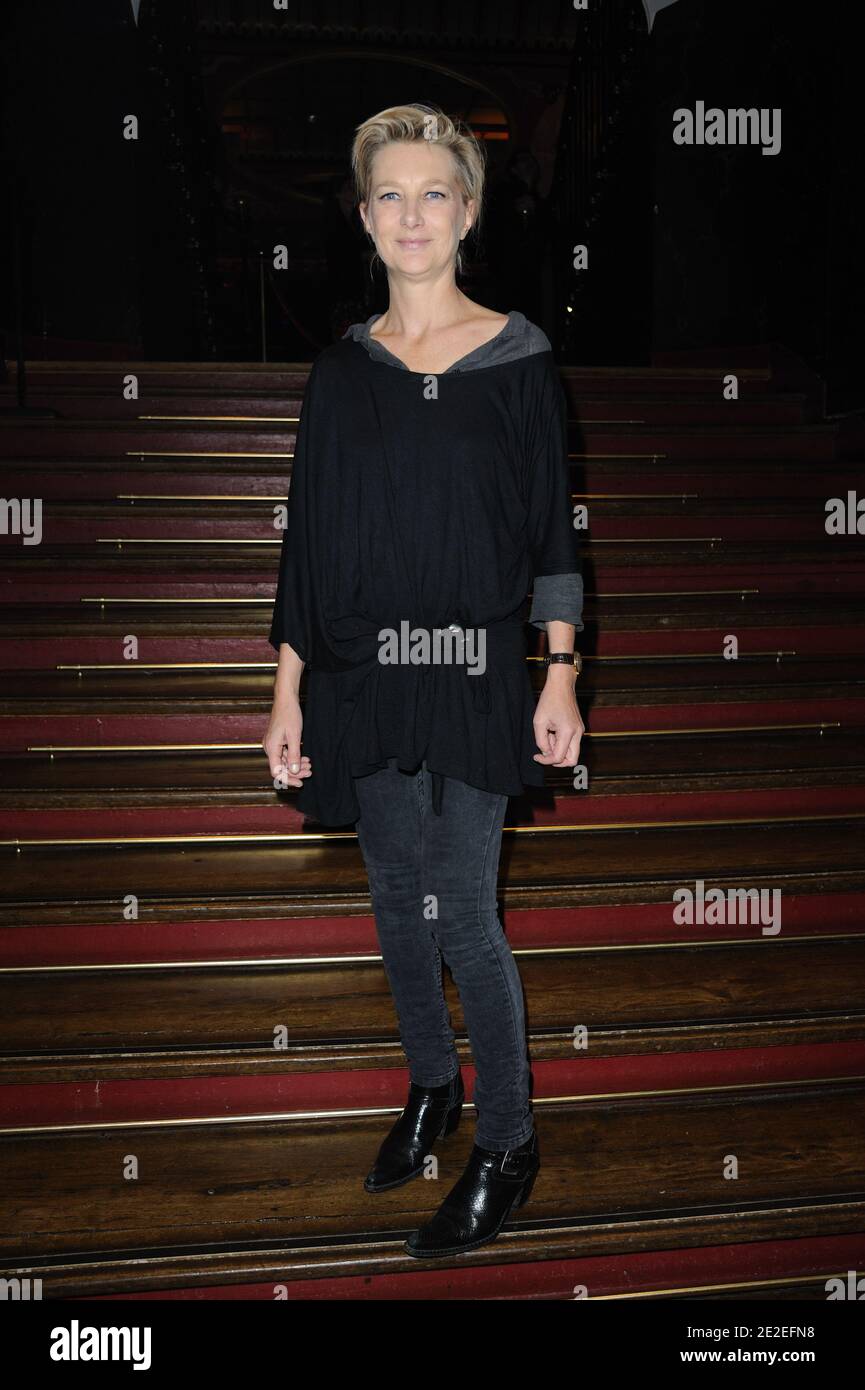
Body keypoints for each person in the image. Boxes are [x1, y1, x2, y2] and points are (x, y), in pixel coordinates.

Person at [263, 102, 584, 1259]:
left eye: (433, 192)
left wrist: (559, 673)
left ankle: (507, 1139)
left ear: (467, 214)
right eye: (389, 194)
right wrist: (287, 690)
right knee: (397, 902)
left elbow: (553, 536)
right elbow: (309, 543)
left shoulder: (519, 358)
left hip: (479, 667)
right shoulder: (341, 373)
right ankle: (431, 1087)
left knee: (464, 912)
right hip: (359, 667)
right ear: (364, 217)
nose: (411, 212)